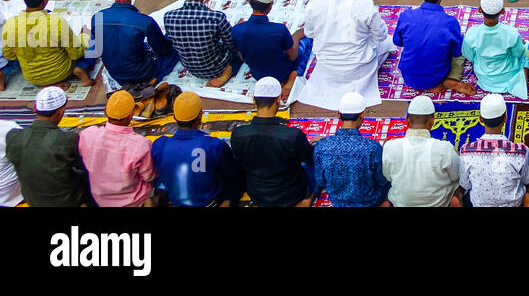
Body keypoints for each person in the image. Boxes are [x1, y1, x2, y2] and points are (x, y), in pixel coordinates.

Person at [297, 0, 396, 111]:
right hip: (358, 69)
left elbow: (309, 33)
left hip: (328, 68)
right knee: (388, 41)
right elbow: (381, 36)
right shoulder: (366, 6)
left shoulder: (316, 2)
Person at [230, 76, 316, 207]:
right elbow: (311, 159)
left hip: (258, 194)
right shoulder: (292, 135)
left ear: (254, 100)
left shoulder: (238, 134)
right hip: (292, 195)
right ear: (278, 100)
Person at [151, 92, 242, 207]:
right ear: (200, 116)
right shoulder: (214, 145)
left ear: (174, 117)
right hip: (209, 201)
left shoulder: (160, 144)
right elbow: (232, 174)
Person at [4, 87, 91, 207]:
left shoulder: (13, 136)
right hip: (67, 202)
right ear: (60, 112)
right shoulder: (68, 139)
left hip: (33, 199)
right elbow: (82, 166)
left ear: (35, 108)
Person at [231, 0, 309, 102]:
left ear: (250, 2)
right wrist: (297, 36)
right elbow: (292, 57)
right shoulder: (279, 30)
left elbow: (242, 57)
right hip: (282, 73)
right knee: (308, 42)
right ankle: (293, 77)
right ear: (270, 6)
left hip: (258, 75)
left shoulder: (236, 30)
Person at [163, 0, 241, 89]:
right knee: (241, 44)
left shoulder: (168, 16)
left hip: (191, 69)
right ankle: (228, 72)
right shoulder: (216, 17)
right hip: (217, 68)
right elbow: (232, 44)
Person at [313, 91, 390, 207]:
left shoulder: (322, 146)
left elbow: (321, 181)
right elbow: (381, 181)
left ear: (338, 114)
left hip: (337, 202)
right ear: (362, 115)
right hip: (370, 201)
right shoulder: (372, 147)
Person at [462, 0, 529, 100]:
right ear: (503, 11)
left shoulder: (471, 34)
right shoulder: (511, 33)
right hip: (508, 76)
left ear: (479, 10)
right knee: (528, 48)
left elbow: (469, 56)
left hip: (484, 79)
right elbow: (518, 53)